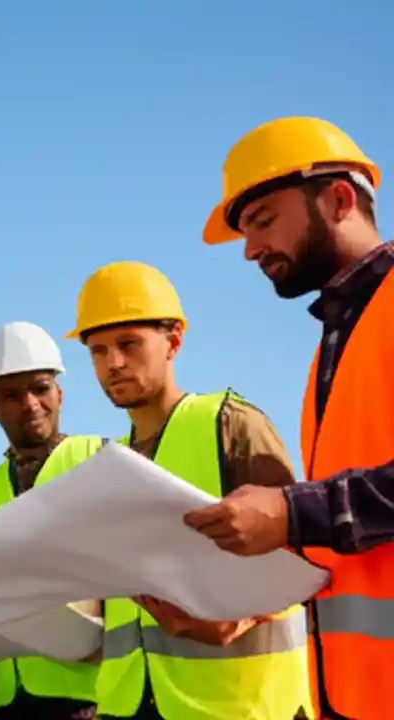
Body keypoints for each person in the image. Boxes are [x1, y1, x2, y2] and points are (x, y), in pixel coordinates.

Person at [184, 116, 387, 720]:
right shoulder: (337, 342)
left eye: (264, 220)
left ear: (339, 199)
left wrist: (292, 512)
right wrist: (247, 603)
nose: (249, 250)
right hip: (352, 696)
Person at [67, 260, 312, 719]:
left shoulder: (231, 425)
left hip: (241, 705)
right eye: (98, 351)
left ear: (173, 341)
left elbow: (304, 553)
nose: (113, 363)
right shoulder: (108, 468)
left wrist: (237, 618)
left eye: (128, 344)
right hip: (133, 705)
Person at [0, 321, 102, 720]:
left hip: (89, 695)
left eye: (40, 388)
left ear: (59, 393)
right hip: (8, 701)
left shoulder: (101, 461)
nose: (29, 403)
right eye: (10, 395)